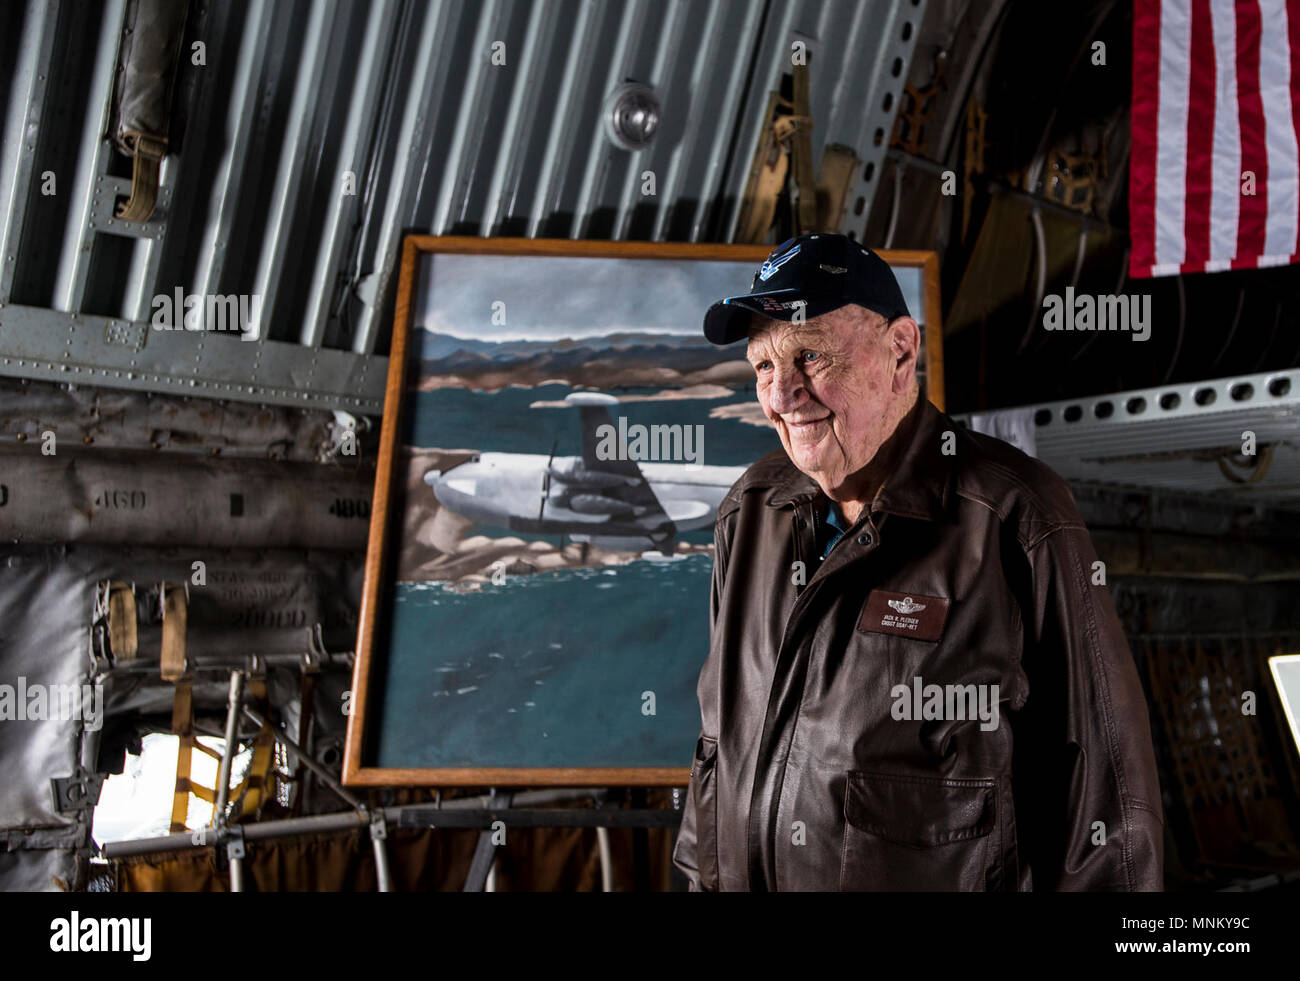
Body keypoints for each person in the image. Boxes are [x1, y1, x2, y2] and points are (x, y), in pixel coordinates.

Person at [672, 233, 1164, 891]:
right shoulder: (751, 511)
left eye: (809, 355)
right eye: (763, 366)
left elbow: (1110, 817)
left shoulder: (1018, 517)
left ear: (901, 350)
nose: (782, 395)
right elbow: (716, 758)